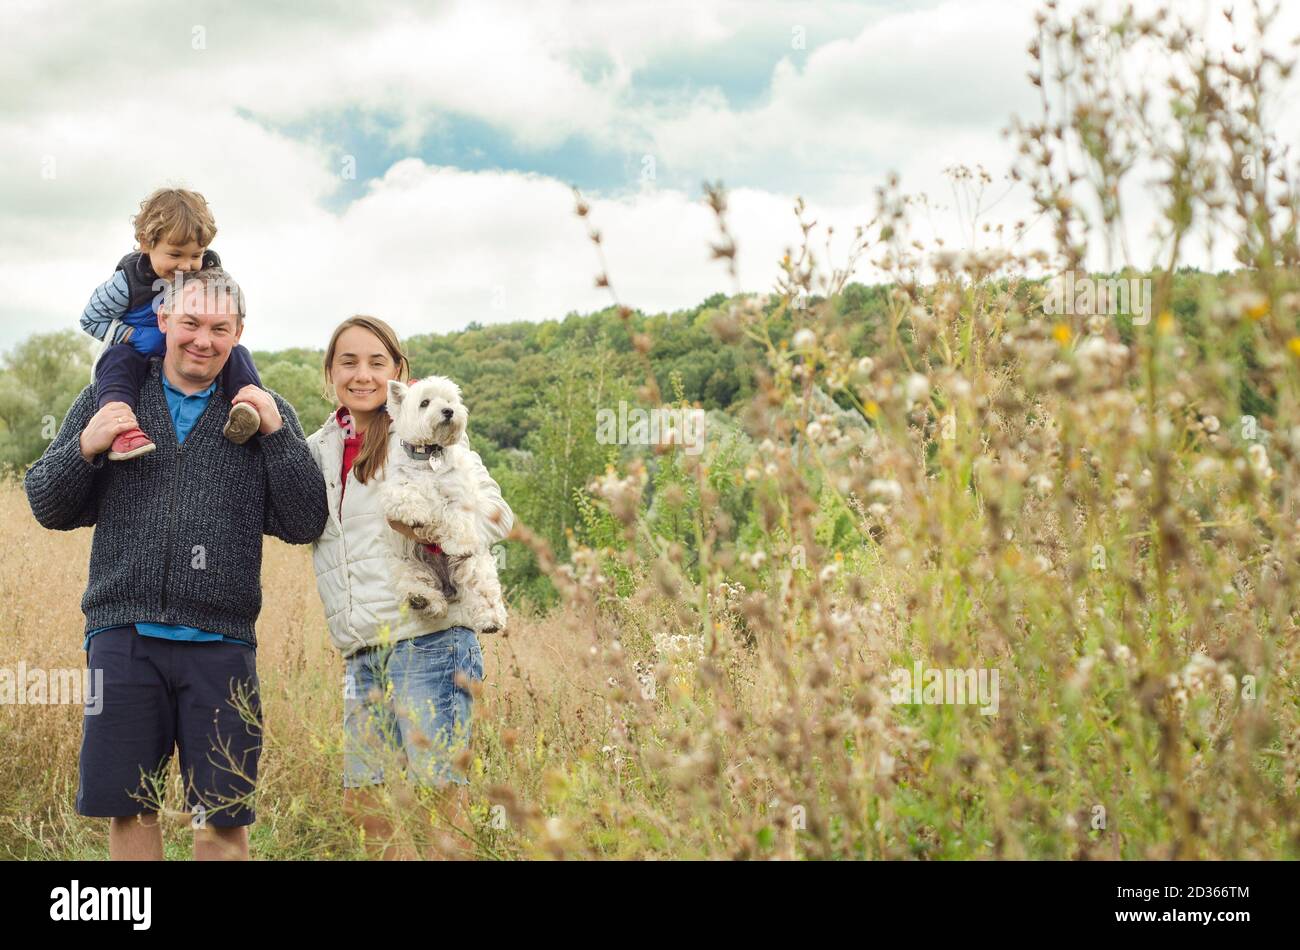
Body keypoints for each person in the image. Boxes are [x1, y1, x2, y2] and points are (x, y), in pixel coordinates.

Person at [24, 266, 328, 860]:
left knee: (221, 817)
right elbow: (47, 505)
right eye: (189, 322)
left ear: (239, 332)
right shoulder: (110, 400)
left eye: (220, 327)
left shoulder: (263, 409)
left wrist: (275, 436)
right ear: (162, 321)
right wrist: (87, 447)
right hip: (122, 636)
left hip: (222, 644)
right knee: (130, 806)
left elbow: (303, 520)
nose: (202, 339)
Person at [306, 315, 512, 859]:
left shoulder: (432, 439)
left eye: (377, 362)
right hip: (361, 649)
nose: (363, 374)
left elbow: (498, 515)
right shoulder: (319, 449)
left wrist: (435, 530)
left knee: (439, 795)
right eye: (348, 362)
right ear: (330, 373)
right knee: (367, 800)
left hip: (431, 637)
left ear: (399, 373)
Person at [79, 187, 264, 461]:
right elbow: (90, 319)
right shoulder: (126, 282)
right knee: (118, 360)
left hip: (185, 352)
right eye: (175, 255)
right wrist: (131, 335)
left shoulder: (207, 274)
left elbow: (225, 307)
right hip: (138, 351)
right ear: (145, 243)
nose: (187, 266)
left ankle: (248, 406)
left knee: (237, 353)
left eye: (195, 255)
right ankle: (120, 428)